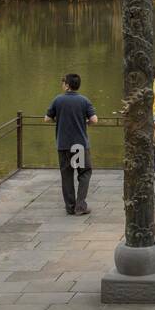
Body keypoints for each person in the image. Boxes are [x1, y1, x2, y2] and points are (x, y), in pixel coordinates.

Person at [44, 73, 97, 215]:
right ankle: (81, 206)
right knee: (84, 173)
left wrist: (59, 119)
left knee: (67, 175)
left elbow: (47, 119)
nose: (62, 85)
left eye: (63, 83)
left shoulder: (58, 100)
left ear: (67, 85)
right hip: (79, 145)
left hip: (64, 145)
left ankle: (70, 207)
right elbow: (94, 120)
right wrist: (85, 122)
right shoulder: (84, 101)